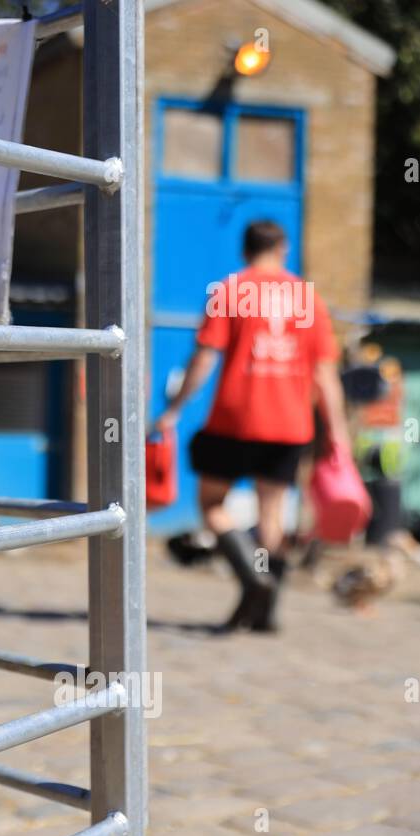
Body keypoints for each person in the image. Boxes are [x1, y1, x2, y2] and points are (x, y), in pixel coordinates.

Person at [155, 220, 349, 633]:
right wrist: (338, 437)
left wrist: (174, 407)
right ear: (284, 248)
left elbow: (205, 359)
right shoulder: (309, 299)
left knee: (211, 506)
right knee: (273, 519)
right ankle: (266, 613)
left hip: (234, 420)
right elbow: (325, 377)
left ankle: (251, 579)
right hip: (290, 426)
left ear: (245, 252)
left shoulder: (230, 292)